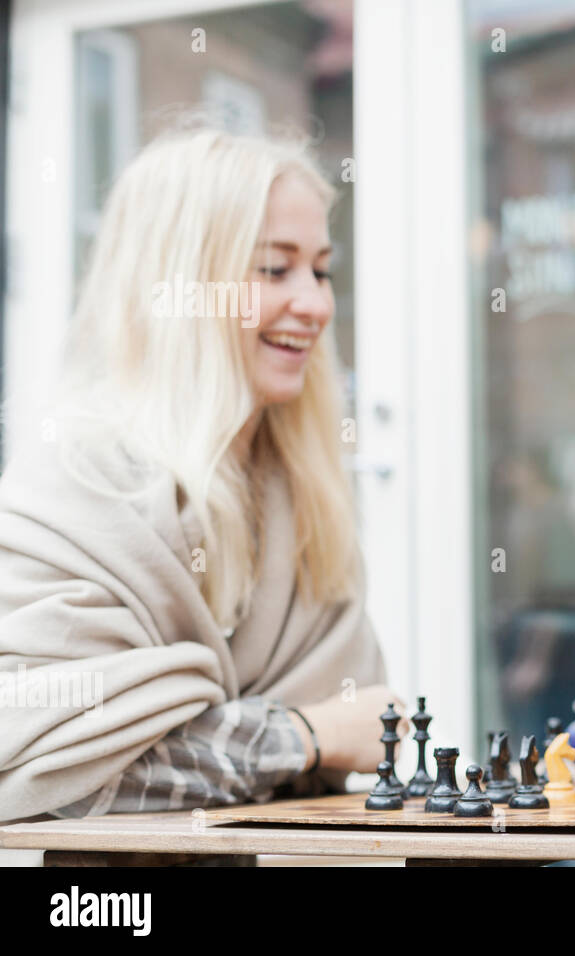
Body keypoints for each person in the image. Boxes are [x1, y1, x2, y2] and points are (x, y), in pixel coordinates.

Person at [0, 127, 404, 823]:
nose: (314, 303)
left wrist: (239, 737)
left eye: (320, 269)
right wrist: (308, 735)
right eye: (274, 270)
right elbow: (54, 772)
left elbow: (372, 742)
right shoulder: (74, 479)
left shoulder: (303, 492)